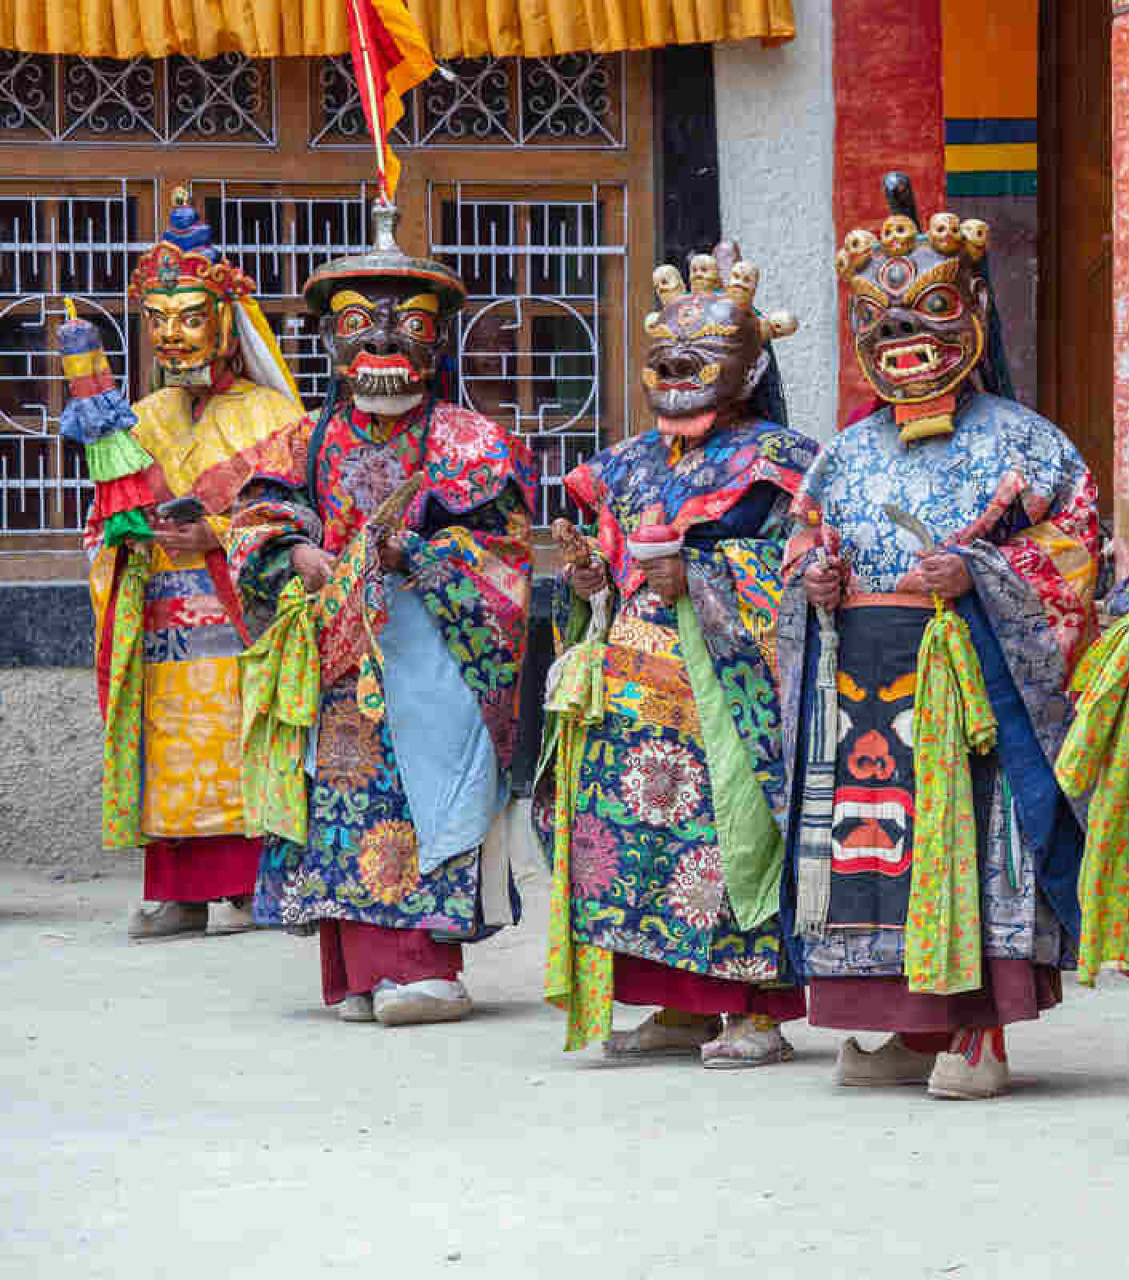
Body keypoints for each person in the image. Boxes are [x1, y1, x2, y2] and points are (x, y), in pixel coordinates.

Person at [778, 174, 1099, 1101]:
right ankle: (895, 1024)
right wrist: (816, 578)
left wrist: (983, 575)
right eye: (878, 326)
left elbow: (1078, 553)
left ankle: (977, 1029)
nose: (902, 343)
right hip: (864, 682)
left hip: (971, 679)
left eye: (928, 315)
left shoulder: (1026, 443)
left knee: (970, 849)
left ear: (976, 316)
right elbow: (802, 541)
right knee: (871, 850)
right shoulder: (843, 452)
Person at [228, 201, 536, 1027]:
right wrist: (300, 552)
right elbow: (255, 516)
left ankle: (427, 970)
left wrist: (425, 559)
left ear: (440, 340)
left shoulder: (473, 441)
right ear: (330, 338)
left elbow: (506, 552)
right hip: (337, 657)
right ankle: (358, 973)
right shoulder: (305, 438)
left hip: (432, 653)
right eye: (361, 322)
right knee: (342, 802)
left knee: (425, 798)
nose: (386, 342)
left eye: (411, 325)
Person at [534, 242, 818, 1066]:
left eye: (705, 356)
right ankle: (675, 1002)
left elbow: (795, 566)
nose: (680, 368)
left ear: (752, 366)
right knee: (633, 837)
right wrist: (593, 577)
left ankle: (754, 1010)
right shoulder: (624, 464)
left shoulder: (777, 461)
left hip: (726, 684)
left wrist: (699, 573)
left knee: (733, 838)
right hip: (631, 678)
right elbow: (611, 565)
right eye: (665, 356)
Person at [70, 189, 305, 941]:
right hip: (160, 614)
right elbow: (101, 521)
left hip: (238, 612)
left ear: (226, 325)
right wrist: (120, 534)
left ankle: (243, 887)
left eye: (190, 317)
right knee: (167, 746)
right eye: (157, 321)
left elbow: (297, 516)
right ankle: (180, 891)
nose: (171, 336)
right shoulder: (139, 417)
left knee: (237, 738)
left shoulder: (275, 416)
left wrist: (215, 533)